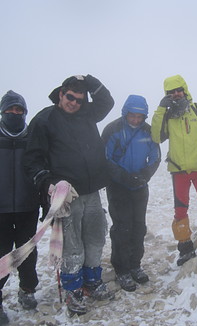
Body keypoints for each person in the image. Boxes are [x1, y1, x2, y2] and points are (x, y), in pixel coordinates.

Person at [23, 75, 115, 316]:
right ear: (61, 94)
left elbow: (106, 102)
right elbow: (32, 159)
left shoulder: (87, 113)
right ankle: (73, 289)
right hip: (65, 195)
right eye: (70, 97)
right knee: (72, 246)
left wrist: (92, 81)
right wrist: (49, 184)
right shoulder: (44, 120)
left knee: (95, 238)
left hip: (92, 189)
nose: (74, 103)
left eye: (79, 99)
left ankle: (92, 281)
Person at [151, 75, 197, 276]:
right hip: (178, 171)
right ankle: (185, 248)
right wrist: (160, 109)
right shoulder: (166, 115)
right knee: (180, 212)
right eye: (170, 92)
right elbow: (156, 136)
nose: (175, 94)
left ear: (184, 90)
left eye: (178, 90)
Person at [101, 95, 160, 292]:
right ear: (125, 113)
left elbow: (155, 156)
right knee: (122, 227)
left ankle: (135, 264)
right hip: (118, 186)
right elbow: (105, 158)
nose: (135, 120)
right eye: (132, 116)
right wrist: (124, 177)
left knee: (139, 226)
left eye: (139, 116)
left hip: (140, 186)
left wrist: (144, 175)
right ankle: (121, 268)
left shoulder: (148, 130)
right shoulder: (113, 129)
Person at [0, 91, 40, 325]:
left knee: (27, 252)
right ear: (3, 111)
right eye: (10, 110)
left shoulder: (32, 137)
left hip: (27, 205)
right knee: (2, 254)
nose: (15, 113)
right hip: (0, 209)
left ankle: (27, 289)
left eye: (19, 110)